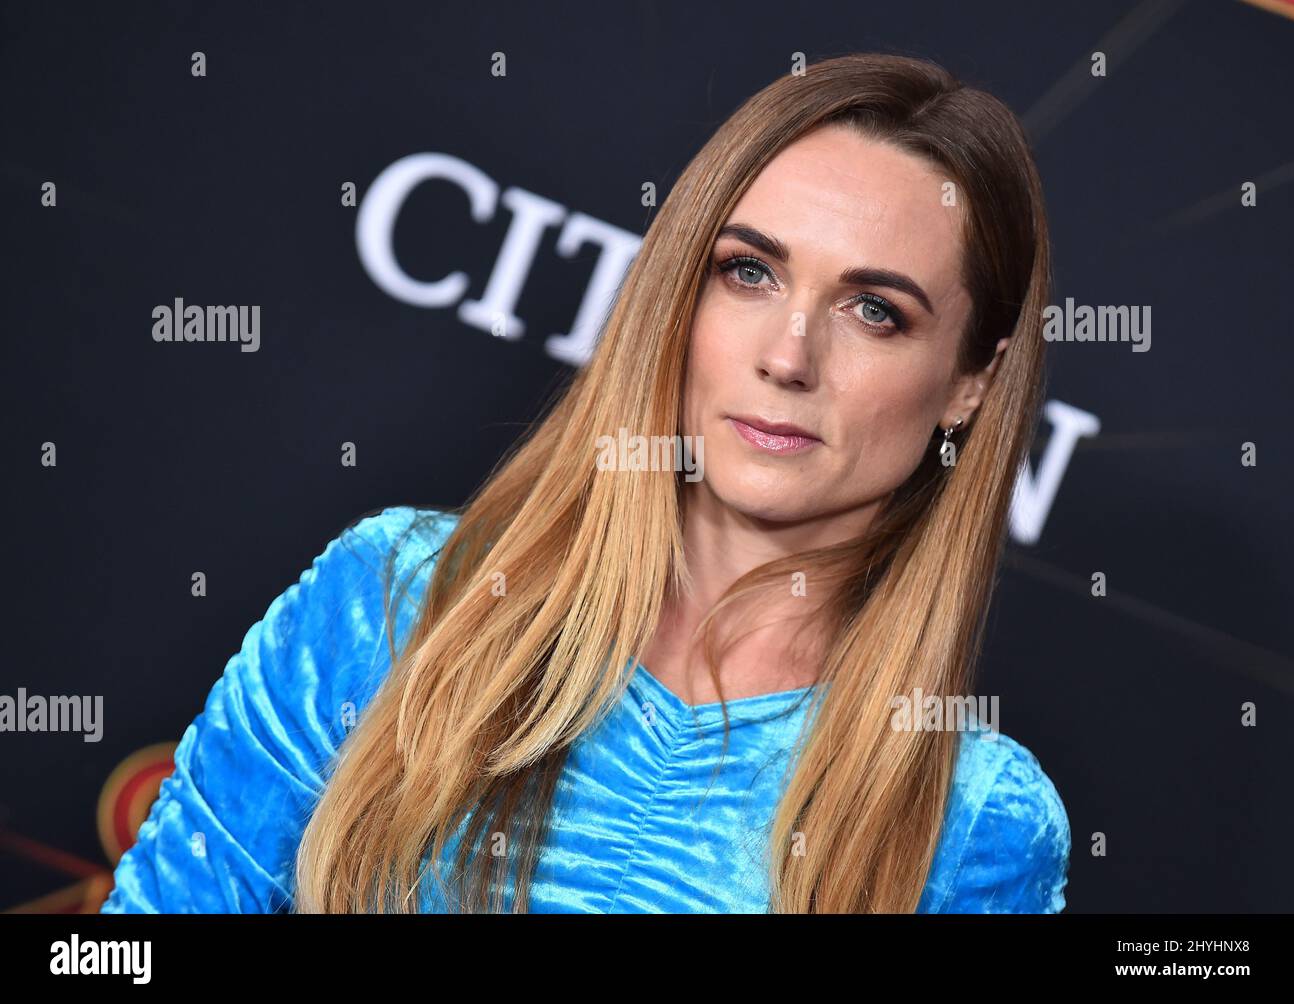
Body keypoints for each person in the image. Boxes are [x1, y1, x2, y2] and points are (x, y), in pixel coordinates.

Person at [101, 52, 1070, 914]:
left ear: (969, 383)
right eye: (748, 272)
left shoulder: (977, 819)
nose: (789, 354)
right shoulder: (390, 602)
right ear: (677, 288)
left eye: (873, 308)